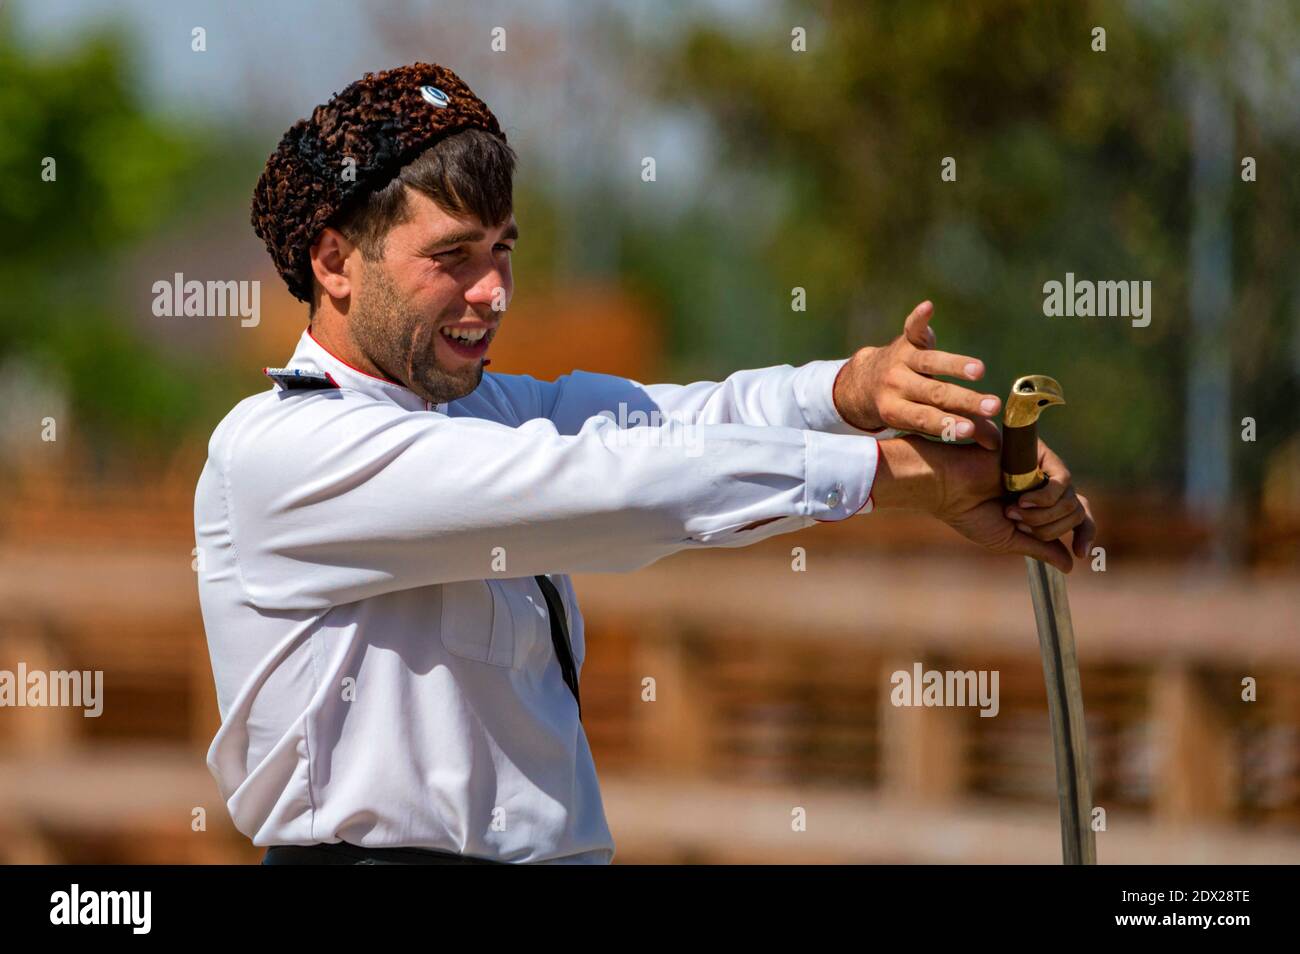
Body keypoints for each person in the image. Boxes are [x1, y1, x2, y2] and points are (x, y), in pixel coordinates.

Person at [195, 62, 1095, 865]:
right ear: (335, 262)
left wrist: (850, 391)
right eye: (452, 256)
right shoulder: (282, 449)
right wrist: (904, 478)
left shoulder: (486, 411)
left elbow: (669, 423)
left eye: (502, 249)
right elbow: (614, 488)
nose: (493, 291)